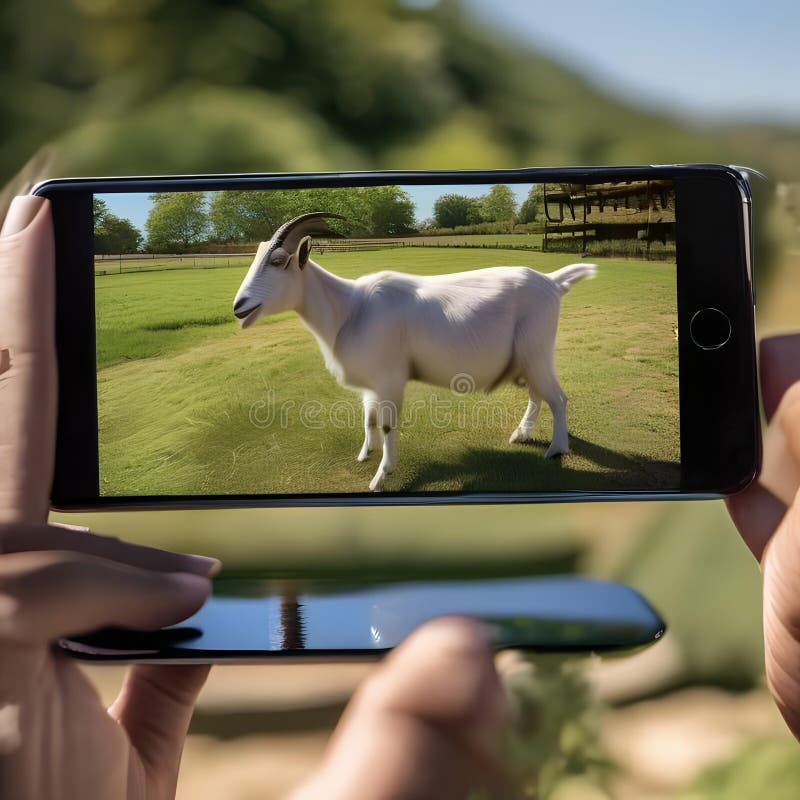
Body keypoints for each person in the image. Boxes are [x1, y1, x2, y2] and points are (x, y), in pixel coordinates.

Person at [1, 195, 799, 798]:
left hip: (521, 295)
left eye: (269, 270)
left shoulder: (382, 309)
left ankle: (548, 422)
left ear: (298, 263)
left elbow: (387, 387)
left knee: (533, 377)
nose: (249, 293)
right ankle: (427, 441)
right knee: (369, 397)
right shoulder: (343, 317)